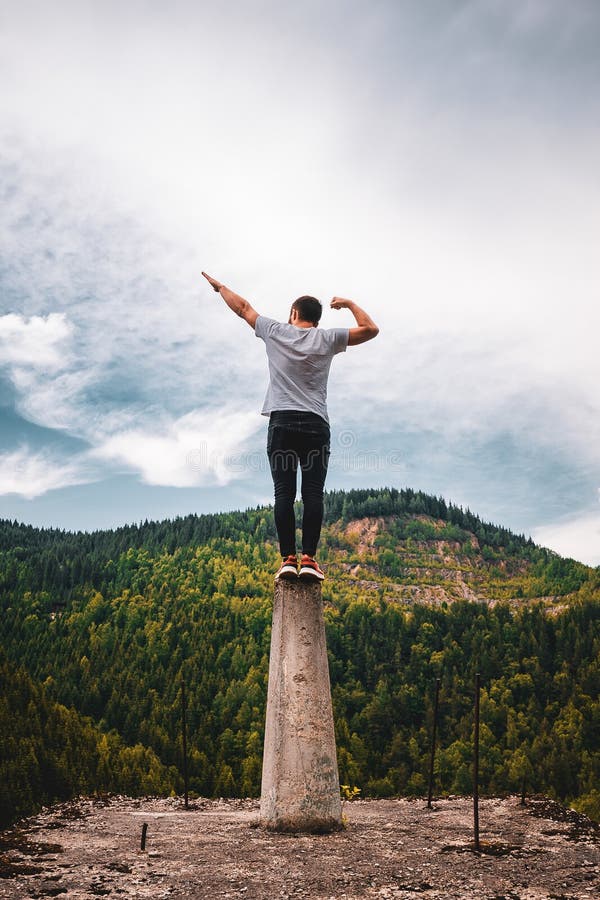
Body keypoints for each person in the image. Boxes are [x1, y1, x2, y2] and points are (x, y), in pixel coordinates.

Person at [201, 272, 379, 582]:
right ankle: (309, 559)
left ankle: (288, 559)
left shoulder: (275, 331)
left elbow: (243, 307)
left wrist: (220, 288)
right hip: (315, 425)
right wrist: (349, 303)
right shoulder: (327, 338)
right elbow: (371, 330)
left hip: (282, 423)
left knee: (283, 493)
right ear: (317, 320)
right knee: (313, 494)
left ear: (293, 313)